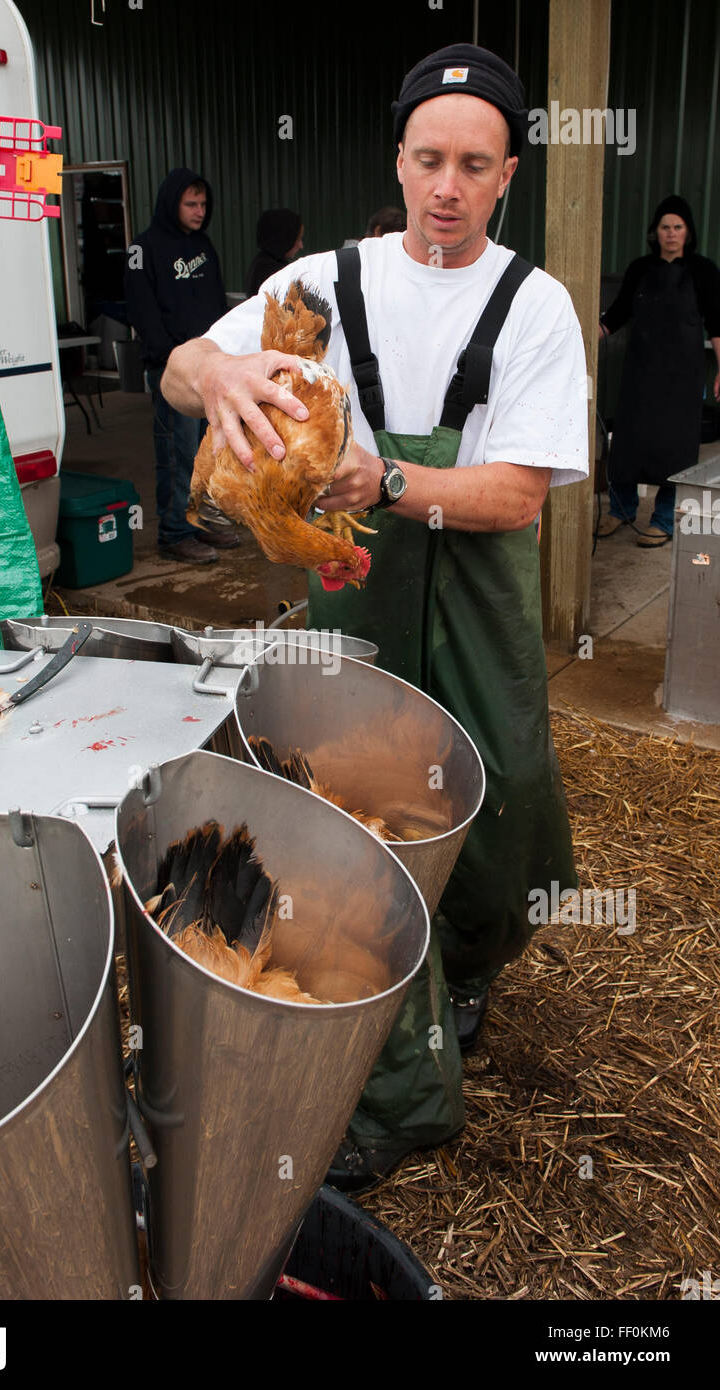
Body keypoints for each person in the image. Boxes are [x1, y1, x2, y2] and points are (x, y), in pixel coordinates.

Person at [162, 43, 589, 1189]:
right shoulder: (320, 283)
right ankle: (400, 1083)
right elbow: (176, 361)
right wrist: (218, 379)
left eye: (474, 164)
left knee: (499, 801)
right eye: (428, 159)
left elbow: (516, 494)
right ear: (397, 162)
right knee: (358, 815)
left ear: (506, 178)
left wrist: (388, 482)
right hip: (352, 595)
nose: (447, 185)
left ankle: (467, 960)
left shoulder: (533, 306)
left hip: (481, 598)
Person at [125, 168, 240, 564]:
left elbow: (216, 307)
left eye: (203, 204)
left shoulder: (204, 246)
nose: (199, 210)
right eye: (190, 203)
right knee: (179, 453)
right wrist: (168, 357)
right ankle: (175, 532)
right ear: (171, 203)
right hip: (172, 372)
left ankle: (203, 523)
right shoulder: (144, 248)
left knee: (213, 450)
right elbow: (141, 310)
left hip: (212, 369)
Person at [598, 195, 720, 547]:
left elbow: (717, 325)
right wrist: (587, 333)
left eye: (677, 227)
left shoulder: (704, 271)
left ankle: (664, 519)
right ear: (655, 232)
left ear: (688, 232)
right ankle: (621, 510)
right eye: (664, 227)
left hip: (681, 378)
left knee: (674, 448)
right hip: (640, 373)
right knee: (628, 443)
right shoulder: (640, 269)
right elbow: (617, 315)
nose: (670, 233)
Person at [244, 209, 304, 298]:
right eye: (298, 239)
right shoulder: (270, 272)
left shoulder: (263, 264)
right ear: (285, 239)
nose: (301, 246)